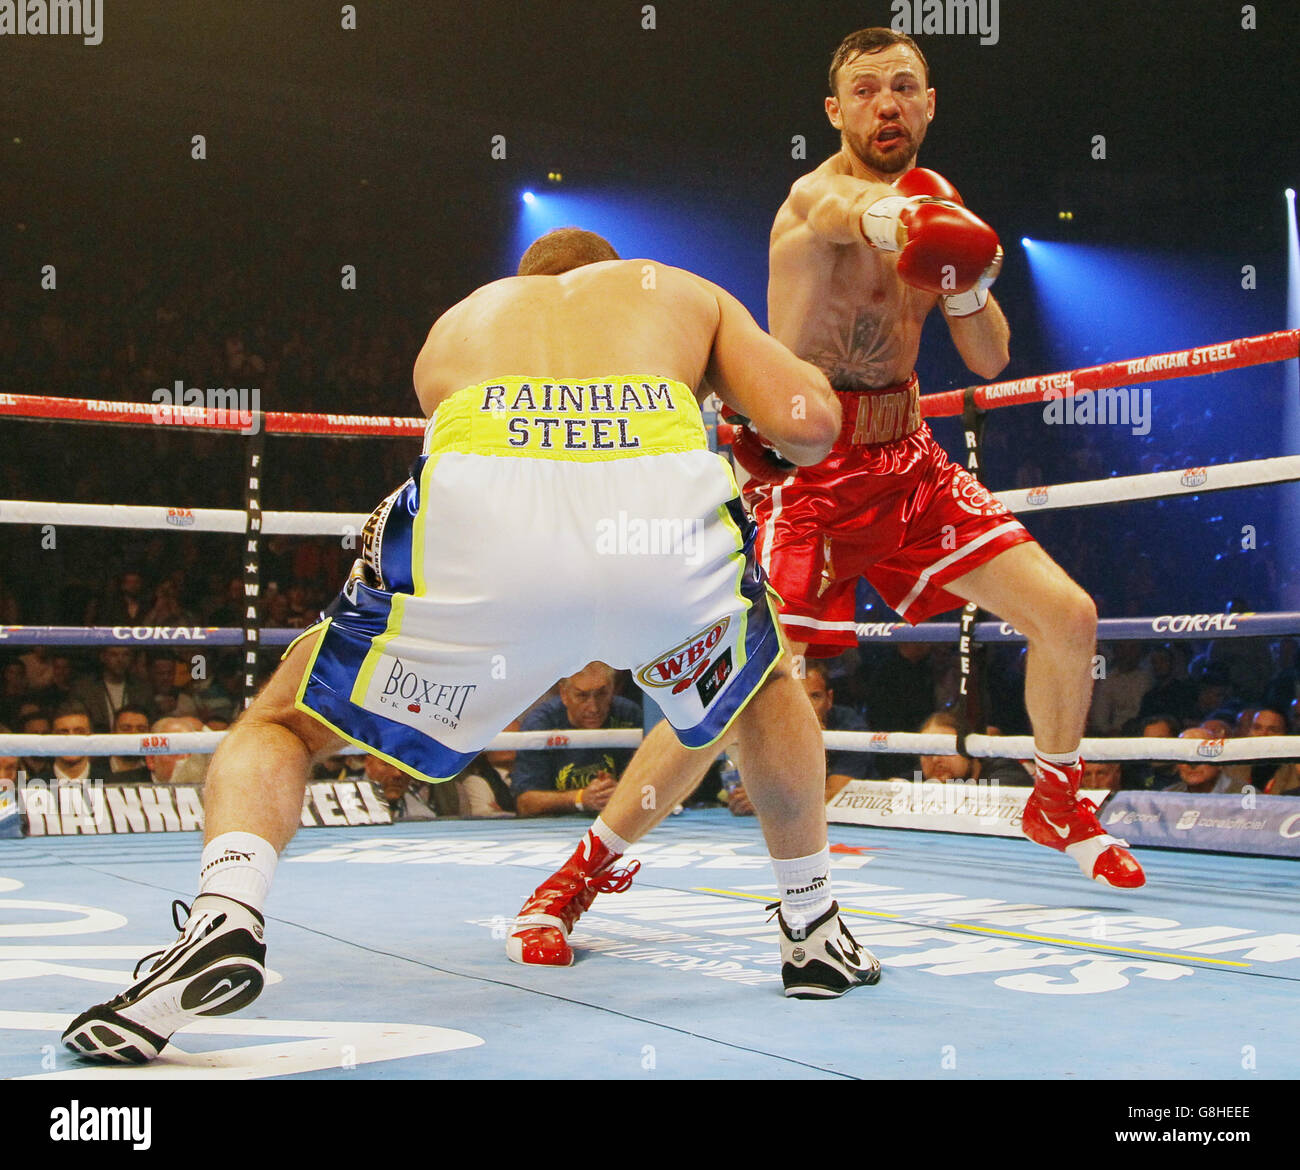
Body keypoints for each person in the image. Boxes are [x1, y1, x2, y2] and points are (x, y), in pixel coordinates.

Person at [63, 229, 877, 1066]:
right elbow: (810, 425)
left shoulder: (461, 322)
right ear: (609, 269)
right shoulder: (676, 288)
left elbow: (499, 473)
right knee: (763, 687)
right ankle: (811, 926)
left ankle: (224, 918)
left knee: (285, 721)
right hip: (656, 525)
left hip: (488, 527)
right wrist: (750, 416)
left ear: (524, 285)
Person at [510, 27, 1141, 935]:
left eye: (905, 87)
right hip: (804, 472)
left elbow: (992, 360)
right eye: (867, 90)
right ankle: (579, 875)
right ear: (835, 110)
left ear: (929, 104)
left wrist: (962, 277)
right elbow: (849, 216)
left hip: (909, 458)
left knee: (1068, 615)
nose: (887, 104)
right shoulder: (813, 197)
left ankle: (1055, 793)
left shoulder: (941, 201)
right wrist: (909, 223)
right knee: (733, 697)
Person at [511, 663, 640, 817]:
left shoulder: (628, 716)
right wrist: (579, 798)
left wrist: (621, 791)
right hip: (555, 830)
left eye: (601, 694)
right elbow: (525, 803)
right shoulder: (541, 724)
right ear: (564, 694)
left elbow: (650, 786)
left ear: (613, 689)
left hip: (617, 821)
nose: (593, 708)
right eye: (582, 696)